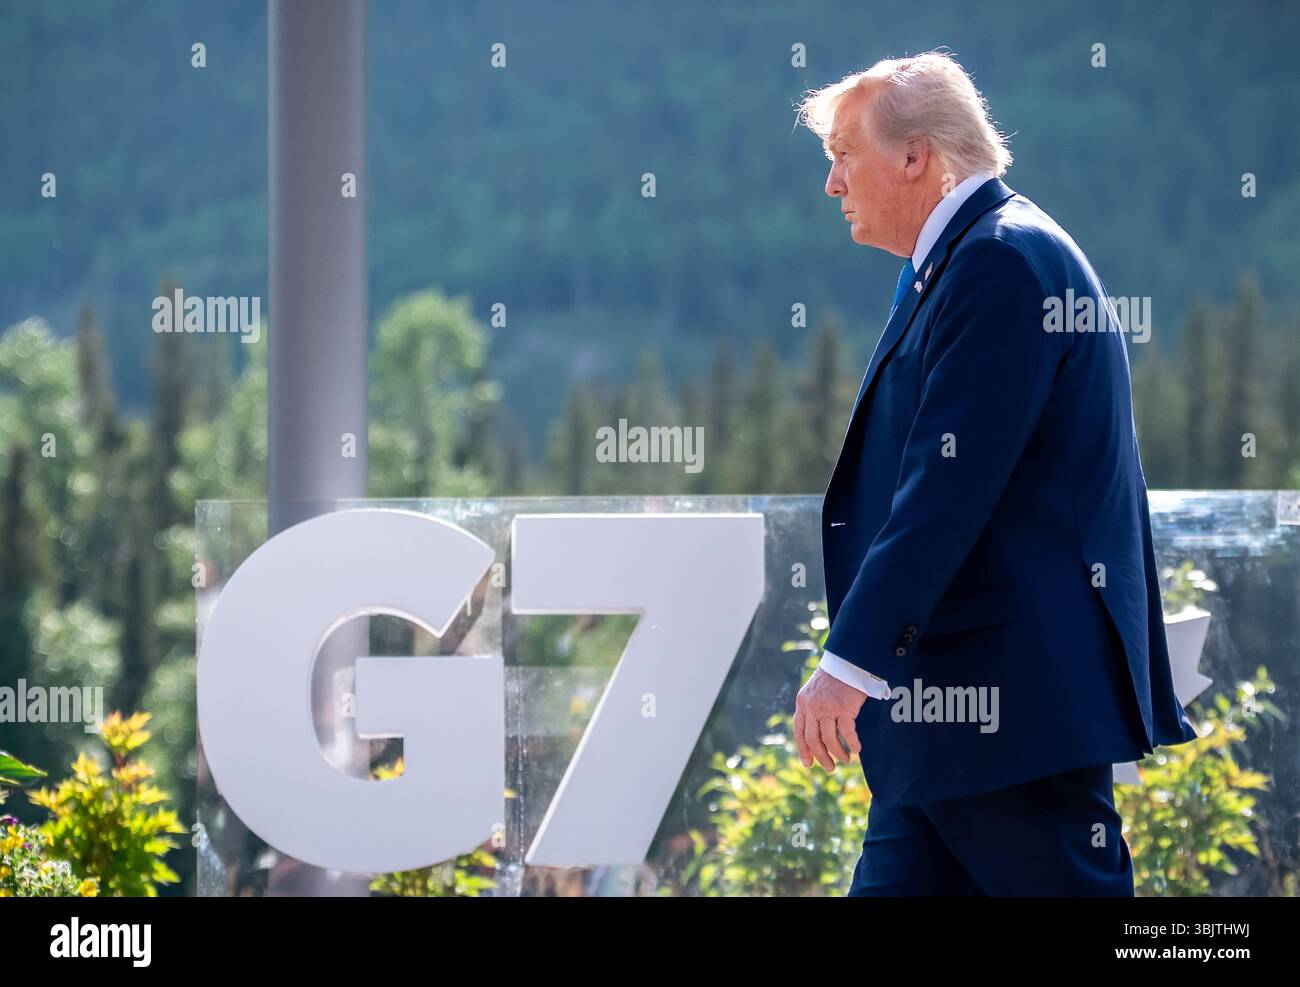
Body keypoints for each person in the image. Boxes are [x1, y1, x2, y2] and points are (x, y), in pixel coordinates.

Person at [791, 50, 1197, 895]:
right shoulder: (966, 261)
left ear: (916, 158)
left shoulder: (1000, 262)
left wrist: (850, 663)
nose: (832, 183)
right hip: (950, 724)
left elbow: (945, 491)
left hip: (1006, 719)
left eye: (842, 154)